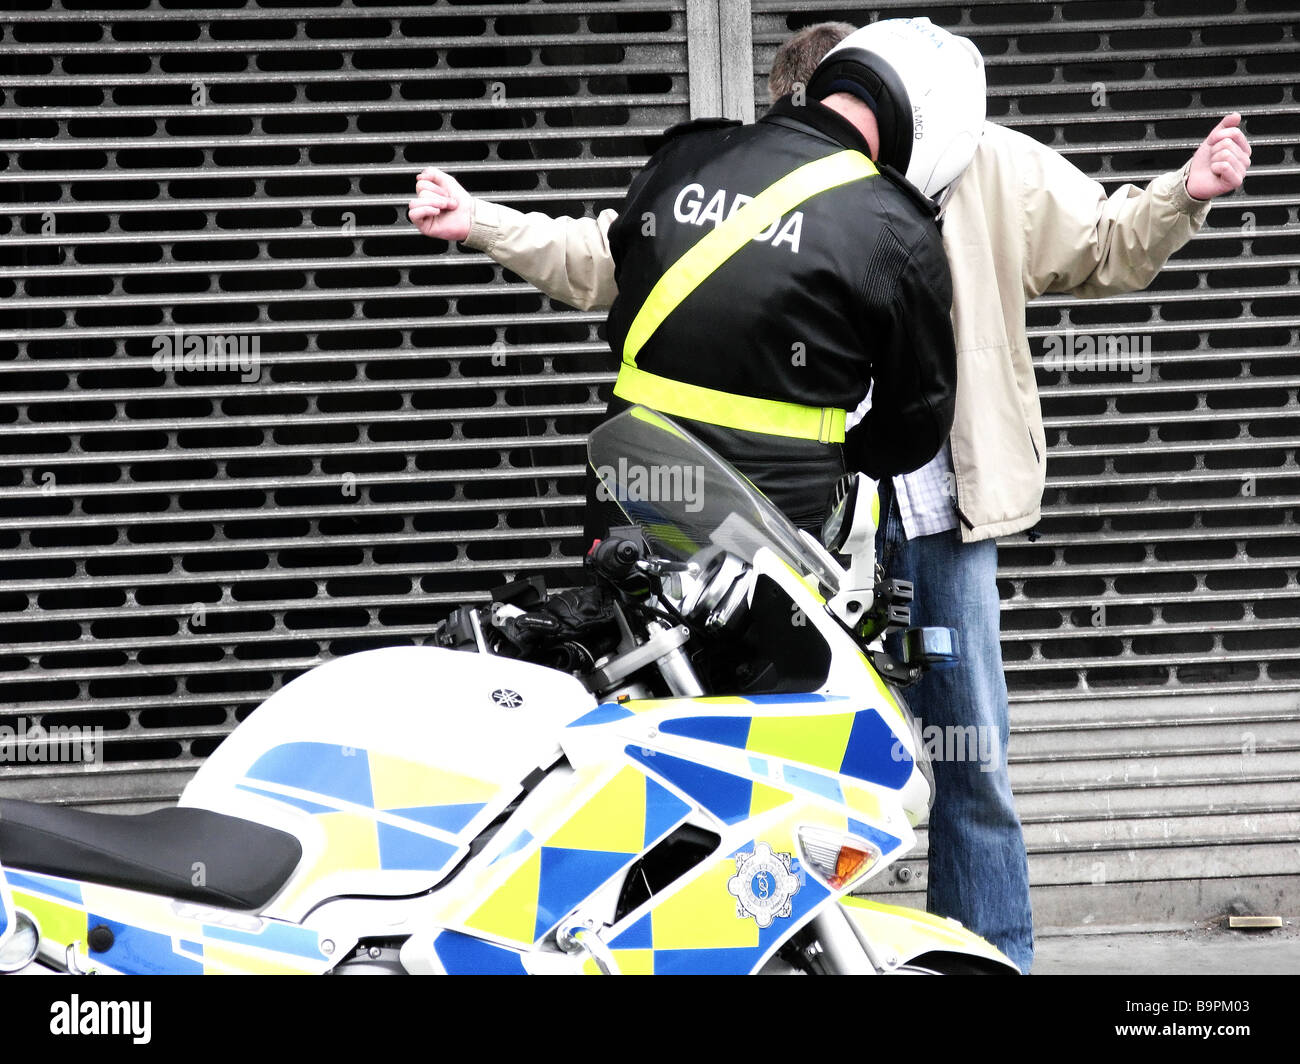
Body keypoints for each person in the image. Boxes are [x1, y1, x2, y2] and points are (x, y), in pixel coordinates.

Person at [407, 20, 1251, 973]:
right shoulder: (765, 183)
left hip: (939, 511)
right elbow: (603, 255)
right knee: (765, 752)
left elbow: (1102, 243)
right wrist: (480, 221)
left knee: (970, 760)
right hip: (798, 527)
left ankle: (992, 958)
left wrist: (1186, 193)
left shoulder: (990, 163)